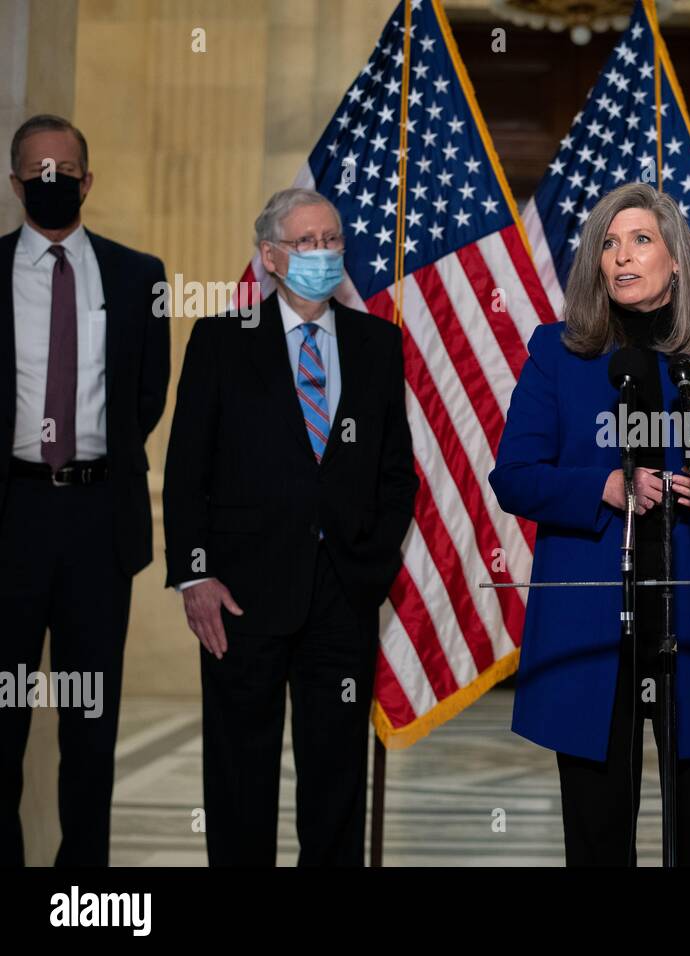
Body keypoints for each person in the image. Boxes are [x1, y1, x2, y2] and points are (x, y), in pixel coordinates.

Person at [489, 182, 690, 866]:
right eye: (608, 243)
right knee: (598, 838)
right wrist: (599, 485)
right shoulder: (558, 352)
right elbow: (514, 475)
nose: (622, 255)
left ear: (677, 258)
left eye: (641, 240)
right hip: (593, 629)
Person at [163, 188, 416, 866]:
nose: (323, 253)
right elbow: (188, 471)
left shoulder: (377, 344)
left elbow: (397, 475)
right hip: (239, 599)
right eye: (306, 243)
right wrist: (194, 573)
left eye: (331, 240)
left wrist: (374, 565)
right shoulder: (220, 340)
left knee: (335, 783)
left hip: (344, 597)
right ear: (271, 256)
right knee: (240, 779)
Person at [0, 114, 169, 866]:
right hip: (10, 516)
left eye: (63, 169)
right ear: (14, 185)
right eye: (36, 170)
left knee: (90, 728)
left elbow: (147, 396)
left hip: (99, 521)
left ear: (87, 181)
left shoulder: (141, 275)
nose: (50, 182)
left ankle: (82, 896)